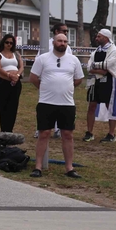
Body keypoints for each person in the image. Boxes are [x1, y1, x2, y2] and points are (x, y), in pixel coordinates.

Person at [28, 29, 85, 179]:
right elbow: (33, 77)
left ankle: (69, 168)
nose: (62, 43)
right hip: (46, 102)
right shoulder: (43, 58)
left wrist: (66, 86)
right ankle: (38, 167)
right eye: (60, 41)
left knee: (67, 134)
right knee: (44, 133)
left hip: (67, 104)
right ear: (53, 42)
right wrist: (46, 88)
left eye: (65, 41)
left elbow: (79, 79)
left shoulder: (73, 60)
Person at [83, 27, 116, 143]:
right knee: (91, 106)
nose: (96, 38)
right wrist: (97, 69)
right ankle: (89, 132)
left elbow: (109, 65)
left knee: (110, 106)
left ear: (106, 37)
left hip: (108, 82)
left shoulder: (113, 50)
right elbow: (89, 67)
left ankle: (111, 134)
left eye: (99, 36)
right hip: (95, 81)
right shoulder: (95, 51)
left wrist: (96, 66)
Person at [0, 33, 24, 133]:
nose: (9, 44)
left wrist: (17, 75)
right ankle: (4, 129)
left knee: (13, 106)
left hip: (15, 83)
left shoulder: (16, 54)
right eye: (7, 42)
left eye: (11, 43)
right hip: (4, 82)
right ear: (3, 42)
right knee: (3, 106)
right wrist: (9, 75)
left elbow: (21, 67)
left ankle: (10, 130)